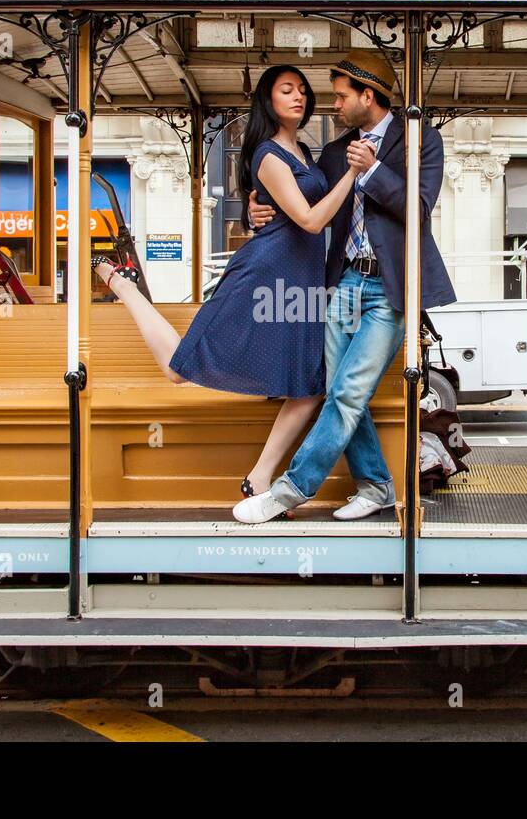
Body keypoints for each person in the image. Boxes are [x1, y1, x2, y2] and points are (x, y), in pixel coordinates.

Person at [93, 65, 359, 499]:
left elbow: (287, 211)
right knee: (180, 370)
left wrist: (256, 216)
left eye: (303, 91)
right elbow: (311, 221)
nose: (299, 97)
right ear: (267, 101)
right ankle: (124, 286)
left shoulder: (304, 153)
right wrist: (352, 173)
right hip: (264, 276)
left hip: (299, 284)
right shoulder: (269, 155)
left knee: (310, 386)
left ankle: (258, 479)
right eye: (286, 90)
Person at [233, 49, 457, 524]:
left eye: (340, 97)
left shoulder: (420, 140)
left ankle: (289, 490)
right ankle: (376, 486)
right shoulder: (334, 153)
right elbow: (299, 201)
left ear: (368, 95)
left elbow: (418, 209)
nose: (332, 106)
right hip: (341, 283)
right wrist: (252, 215)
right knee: (340, 389)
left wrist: (373, 171)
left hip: (389, 290)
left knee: (349, 392)